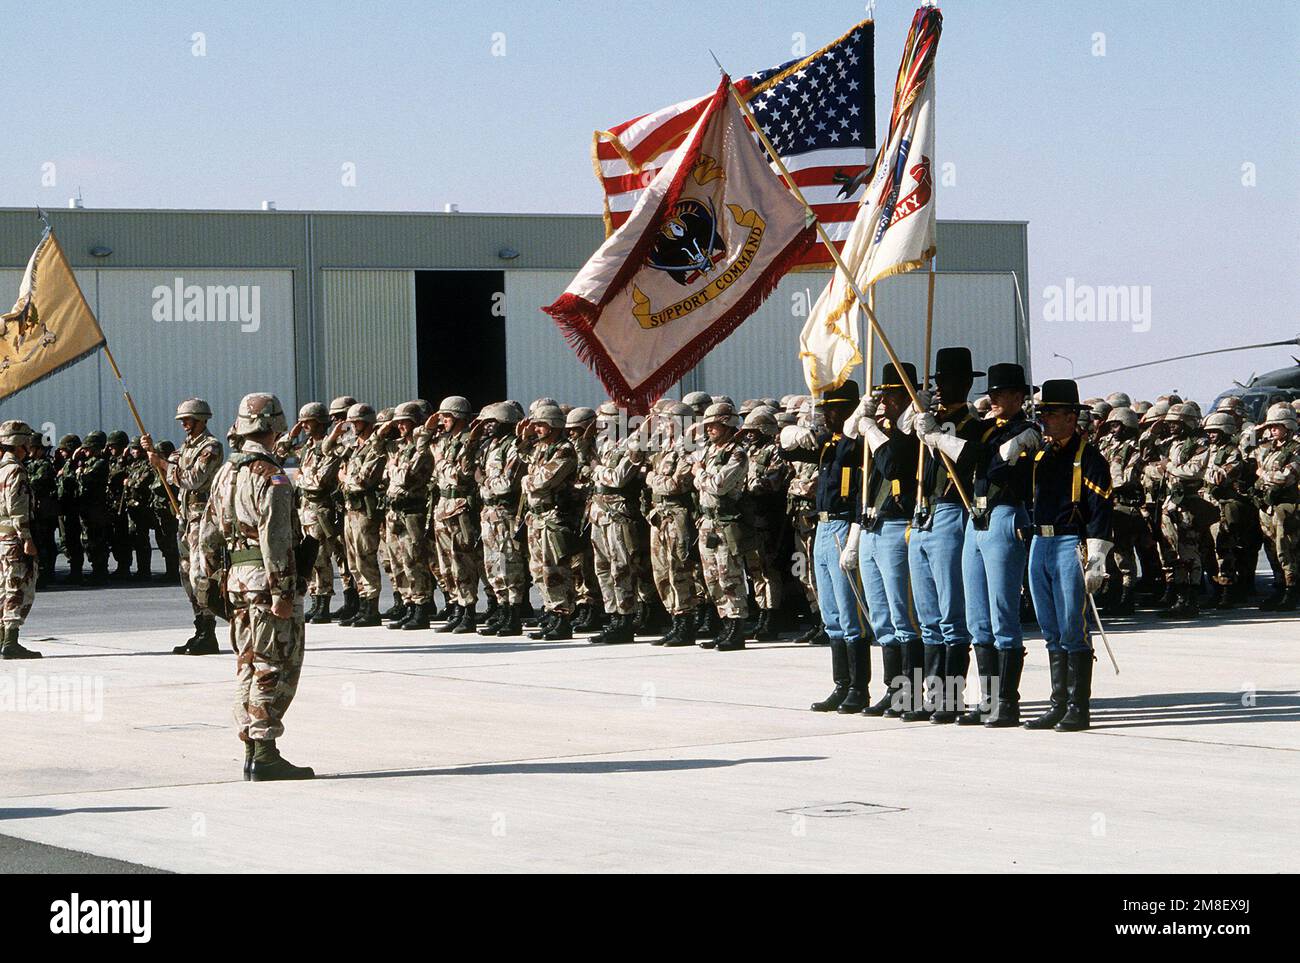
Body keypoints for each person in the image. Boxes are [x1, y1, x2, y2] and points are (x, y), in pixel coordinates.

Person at [198, 393, 314, 780]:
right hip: (266, 583)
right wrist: (283, 591)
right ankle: (264, 751)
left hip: (236, 583)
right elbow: (276, 538)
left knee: (248, 662)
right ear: (273, 426)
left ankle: (252, 745)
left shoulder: (225, 473)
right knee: (275, 664)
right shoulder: (273, 477)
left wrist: (207, 584)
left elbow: (207, 535)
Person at [1023, 379, 1113, 732]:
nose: (1044, 419)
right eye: (1042, 412)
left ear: (1072, 417)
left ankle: (1078, 706)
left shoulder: (1088, 458)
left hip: (1068, 544)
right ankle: (1057, 703)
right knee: (1049, 627)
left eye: (1051, 413)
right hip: (1039, 543)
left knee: (1072, 627)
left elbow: (1100, 508)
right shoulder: (1042, 454)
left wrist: (1097, 558)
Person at [906, 347, 985, 723]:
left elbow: (969, 458)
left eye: (952, 381)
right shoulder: (925, 421)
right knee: (926, 614)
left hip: (953, 510)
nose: (944, 387)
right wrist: (912, 414)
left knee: (952, 611)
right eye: (939, 381)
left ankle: (950, 698)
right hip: (922, 512)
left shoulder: (975, 424)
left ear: (968, 384)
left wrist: (935, 434)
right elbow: (898, 458)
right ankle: (929, 695)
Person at [780, 381, 869, 711]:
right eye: (825, 410)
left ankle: (859, 688)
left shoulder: (855, 444)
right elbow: (785, 448)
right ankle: (841, 684)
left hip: (845, 524)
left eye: (833, 410)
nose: (826, 416)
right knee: (831, 611)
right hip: (823, 524)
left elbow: (852, 465)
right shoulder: (826, 443)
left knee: (849, 612)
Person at [961, 363, 1039, 727]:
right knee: (978, 617)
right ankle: (988, 698)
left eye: (1001, 393)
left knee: (1001, 612)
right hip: (976, 519)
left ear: (1019, 397)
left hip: (1005, 515)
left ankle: (1007, 701)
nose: (993, 399)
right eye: (991, 393)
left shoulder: (1027, 431)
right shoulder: (987, 429)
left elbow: (994, 469)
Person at [843, 364, 921, 717]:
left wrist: (872, 429)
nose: (885, 402)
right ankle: (893, 688)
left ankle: (911, 691)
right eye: (883, 395)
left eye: (892, 395)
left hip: (897, 525)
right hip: (872, 524)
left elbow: (894, 465)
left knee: (904, 614)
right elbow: (848, 449)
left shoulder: (914, 427)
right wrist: (861, 417)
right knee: (881, 617)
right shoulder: (883, 429)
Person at [142, 398, 223, 654]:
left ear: (201, 420)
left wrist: (163, 463)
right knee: (187, 573)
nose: (184, 425)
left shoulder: (211, 447)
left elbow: (192, 478)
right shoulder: (186, 447)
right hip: (186, 517)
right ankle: (200, 627)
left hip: (203, 518)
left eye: (188, 420)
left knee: (202, 574)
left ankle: (209, 632)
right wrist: (153, 452)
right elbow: (171, 467)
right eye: (183, 421)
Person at [691, 402, 751, 651]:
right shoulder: (709, 452)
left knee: (730, 576)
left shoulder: (736, 454)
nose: (709, 429)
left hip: (725, 521)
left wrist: (700, 475)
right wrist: (702, 475)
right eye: (708, 425)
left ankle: (737, 629)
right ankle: (724, 624)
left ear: (727, 425)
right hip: (707, 521)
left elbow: (719, 485)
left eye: (714, 425)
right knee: (712, 578)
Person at [520, 404, 580, 640]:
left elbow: (543, 481)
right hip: (535, 516)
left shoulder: (564, 449)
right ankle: (552, 613)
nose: (536, 428)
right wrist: (523, 438)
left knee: (555, 570)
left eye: (541, 424)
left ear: (554, 425)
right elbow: (523, 459)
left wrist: (528, 479)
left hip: (552, 516)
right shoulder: (540, 448)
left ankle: (563, 618)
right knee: (538, 571)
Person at [587, 402, 644, 645]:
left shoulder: (631, 444)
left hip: (618, 512)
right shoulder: (602, 444)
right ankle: (613, 616)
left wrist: (597, 470)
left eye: (605, 420)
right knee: (602, 566)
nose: (600, 424)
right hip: (599, 511)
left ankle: (625, 618)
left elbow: (619, 478)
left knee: (621, 567)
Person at [645, 400, 701, 647]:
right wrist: (656, 478)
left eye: (668, 420)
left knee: (678, 568)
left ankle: (686, 622)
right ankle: (674, 618)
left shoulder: (689, 448)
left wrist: (651, 478)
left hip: (677, 513)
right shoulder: (662, 448)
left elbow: (677, 484)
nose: (664, 425)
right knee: (661, 571)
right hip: (659, 513)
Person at [327, 402, 386, 627]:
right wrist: (335, 434)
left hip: (364, 510)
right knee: (353, 561)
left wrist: (343, 479)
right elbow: (327, 450)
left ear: (368, 422)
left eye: (356, 422)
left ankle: (372, 609)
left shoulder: (375, 447)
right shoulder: (354, 446)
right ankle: (362, 605)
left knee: (365, 558)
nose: (352, 425)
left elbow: (364, 480)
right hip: (350, 510)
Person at [474, 403, 529, 637]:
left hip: (506, 514)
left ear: (505, 422)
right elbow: (474, 471)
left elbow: (507, 485)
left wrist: (484, 481)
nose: (487, 426)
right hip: (489, 514)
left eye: (492, 422)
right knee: (493, 565)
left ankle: (514, 615)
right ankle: (502, 609)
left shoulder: (514, 448)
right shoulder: (488, 447)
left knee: (510, 565)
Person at [737, 408, 791, 642]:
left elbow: (771, 483)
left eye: (753, 431)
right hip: (750, 517)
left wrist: (742, 485)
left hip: (768, 517)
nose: (749, 436)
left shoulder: (774, 453)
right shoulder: (748, 452)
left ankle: (772, 616)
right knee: (755, 570)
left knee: (769, 570)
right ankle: (761, 612)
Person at [429, 396, 482, 632]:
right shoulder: (445, 440)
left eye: (447, 416)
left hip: (459, 506)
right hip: (443, 505)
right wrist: (430, 426)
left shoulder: (469, 441)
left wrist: (440, 463)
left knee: (462, 561)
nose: (443, 420)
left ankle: (468, 610)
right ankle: (456, 607)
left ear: (459, 417)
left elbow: (461, 475)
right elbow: (422, 442)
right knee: (446, 563)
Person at [0, 421, 43, 659]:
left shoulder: (1, 469)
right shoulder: (16, 470)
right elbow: (17, 508)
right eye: (27, 441)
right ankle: (11, 641)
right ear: (20, 444)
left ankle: (3, 639)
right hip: (14, 540)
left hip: (2, 538)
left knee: (4, 589)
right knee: (18, 588)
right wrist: (26, 538)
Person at [1253, 402, 1300, 611]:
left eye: (1276, 426)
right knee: (1271, 548)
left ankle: (1292, 589)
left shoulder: (1296, 449)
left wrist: (1264, 475)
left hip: (1288, 505)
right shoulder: (1270, 449)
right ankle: (1280, 586)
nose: (1271, 430)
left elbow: (1286, 477)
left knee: (1286, 548)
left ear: (1288, 426)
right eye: (1270, 426)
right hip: (1269, 506)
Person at [54, 434, 84, 584]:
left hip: (73, 507)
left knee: (73, 540)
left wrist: (70, 462)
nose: (61, 453)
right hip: (64, 507)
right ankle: (74, 570)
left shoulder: (77, 464)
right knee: (66, 540)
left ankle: (76, 572)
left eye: (64, 450)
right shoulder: (65, 463)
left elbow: (70, 481)